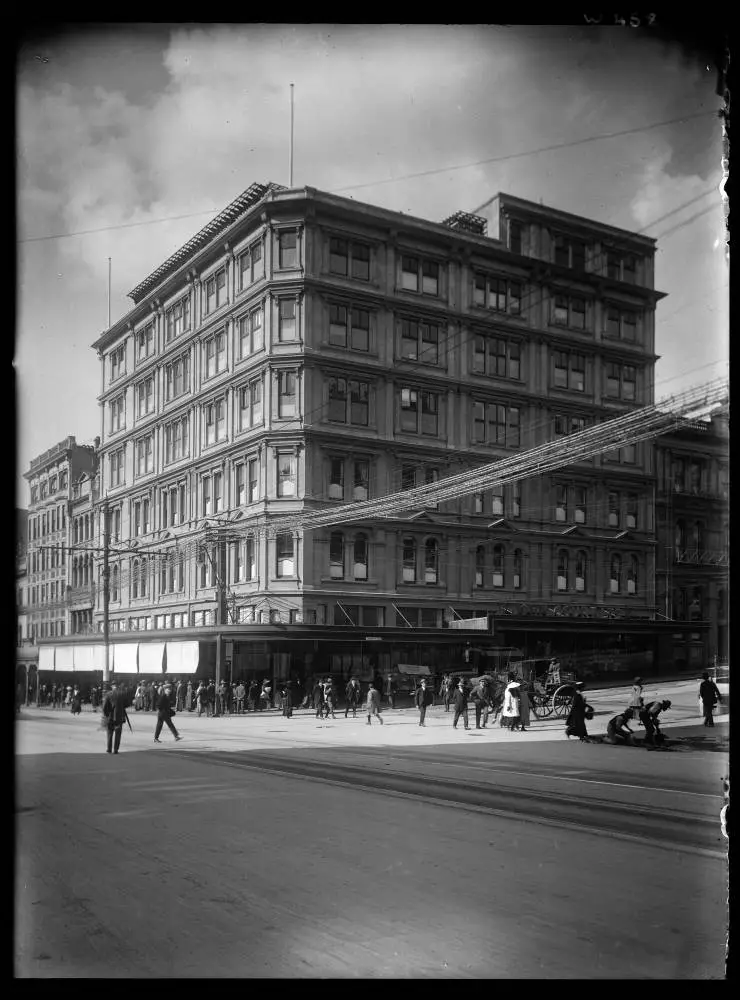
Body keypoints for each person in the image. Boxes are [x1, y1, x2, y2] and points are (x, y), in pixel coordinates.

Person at [102, 681, 127, 754]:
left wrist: (107, 715)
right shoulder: (122, 694)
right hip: (119, 717)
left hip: (110, 717)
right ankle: (116, 749)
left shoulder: (108, 694)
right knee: (118, 734)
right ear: (118, 686)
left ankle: (109, 749)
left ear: (112, 686)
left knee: (109, 733)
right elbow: (126, 704)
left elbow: (104, 707)